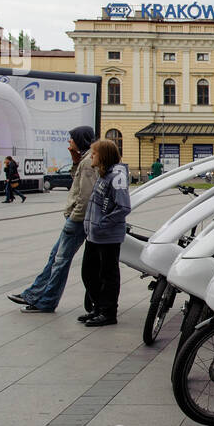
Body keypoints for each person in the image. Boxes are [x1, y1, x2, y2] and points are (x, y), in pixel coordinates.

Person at [9, 126, 96, 313]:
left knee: (60, 261)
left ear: (80, 139)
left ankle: (47, 301)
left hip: (78, 221)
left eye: (71, 138)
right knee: (55, 258)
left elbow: (86, 195)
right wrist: (75, 162)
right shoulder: (85, 160)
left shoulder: (89, 161)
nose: (69, 142)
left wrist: (75, 217)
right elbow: (78, 181)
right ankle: (33, 294)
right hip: (77, 220)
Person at [78, 138, 131, 327]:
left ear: (104, 156)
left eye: (95, 153)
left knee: (108, 274)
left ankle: (108, 313)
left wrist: (102, 224)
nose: (91, 155)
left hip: (107, 236)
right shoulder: (103, 173)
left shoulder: (116, 175)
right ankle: (98, 308)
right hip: (95, 235)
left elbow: (124, 206)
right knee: (89, 272)